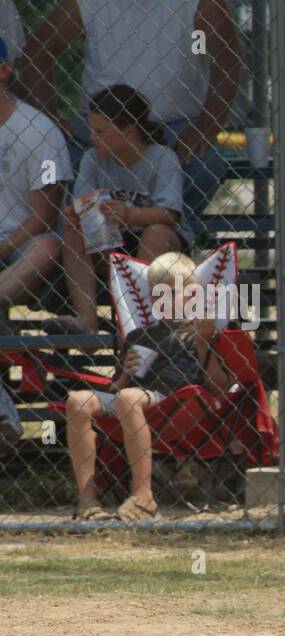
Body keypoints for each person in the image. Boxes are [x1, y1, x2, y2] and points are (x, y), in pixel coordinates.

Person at [17, 0, 240, 221]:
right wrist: (49, 119)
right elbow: (38, 51)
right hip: (97, 125)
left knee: (203, 165)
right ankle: (88, 234)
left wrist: (207, 125)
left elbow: (228, 58)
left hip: (174, 126)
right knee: (54, 159)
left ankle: (166, 232)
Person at [65, 252, 233, 520]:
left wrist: (204, 346)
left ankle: (143, 496)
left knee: (129, 398)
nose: (163, 300)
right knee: (78, 400)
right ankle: (87, 501)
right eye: (156, 294)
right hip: (135, 400)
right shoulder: (139, 335)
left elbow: (221, 388)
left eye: (173, 293)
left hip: (177, 404)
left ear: (194, 295)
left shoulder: (203, 334)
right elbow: (117, 389)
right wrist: (124, 375)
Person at [60, 85, 189, 334]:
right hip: (110, 243)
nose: (92, 137)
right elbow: (85, 207)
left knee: (156, 233)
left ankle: (140, 324)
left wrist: (129, 215)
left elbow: (169, 214)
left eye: (100, 131)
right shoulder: (93, 159)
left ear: (129, 131)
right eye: (91, 130)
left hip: (159, 247)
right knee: (73, 229)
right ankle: (87, 320)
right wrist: (78, 213)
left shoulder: (161, 157)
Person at [0, 35, 71, 313]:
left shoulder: (39, 131)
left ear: (4, 71)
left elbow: (46, 214)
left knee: (48, 246)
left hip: (20, 243)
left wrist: (4, 247)